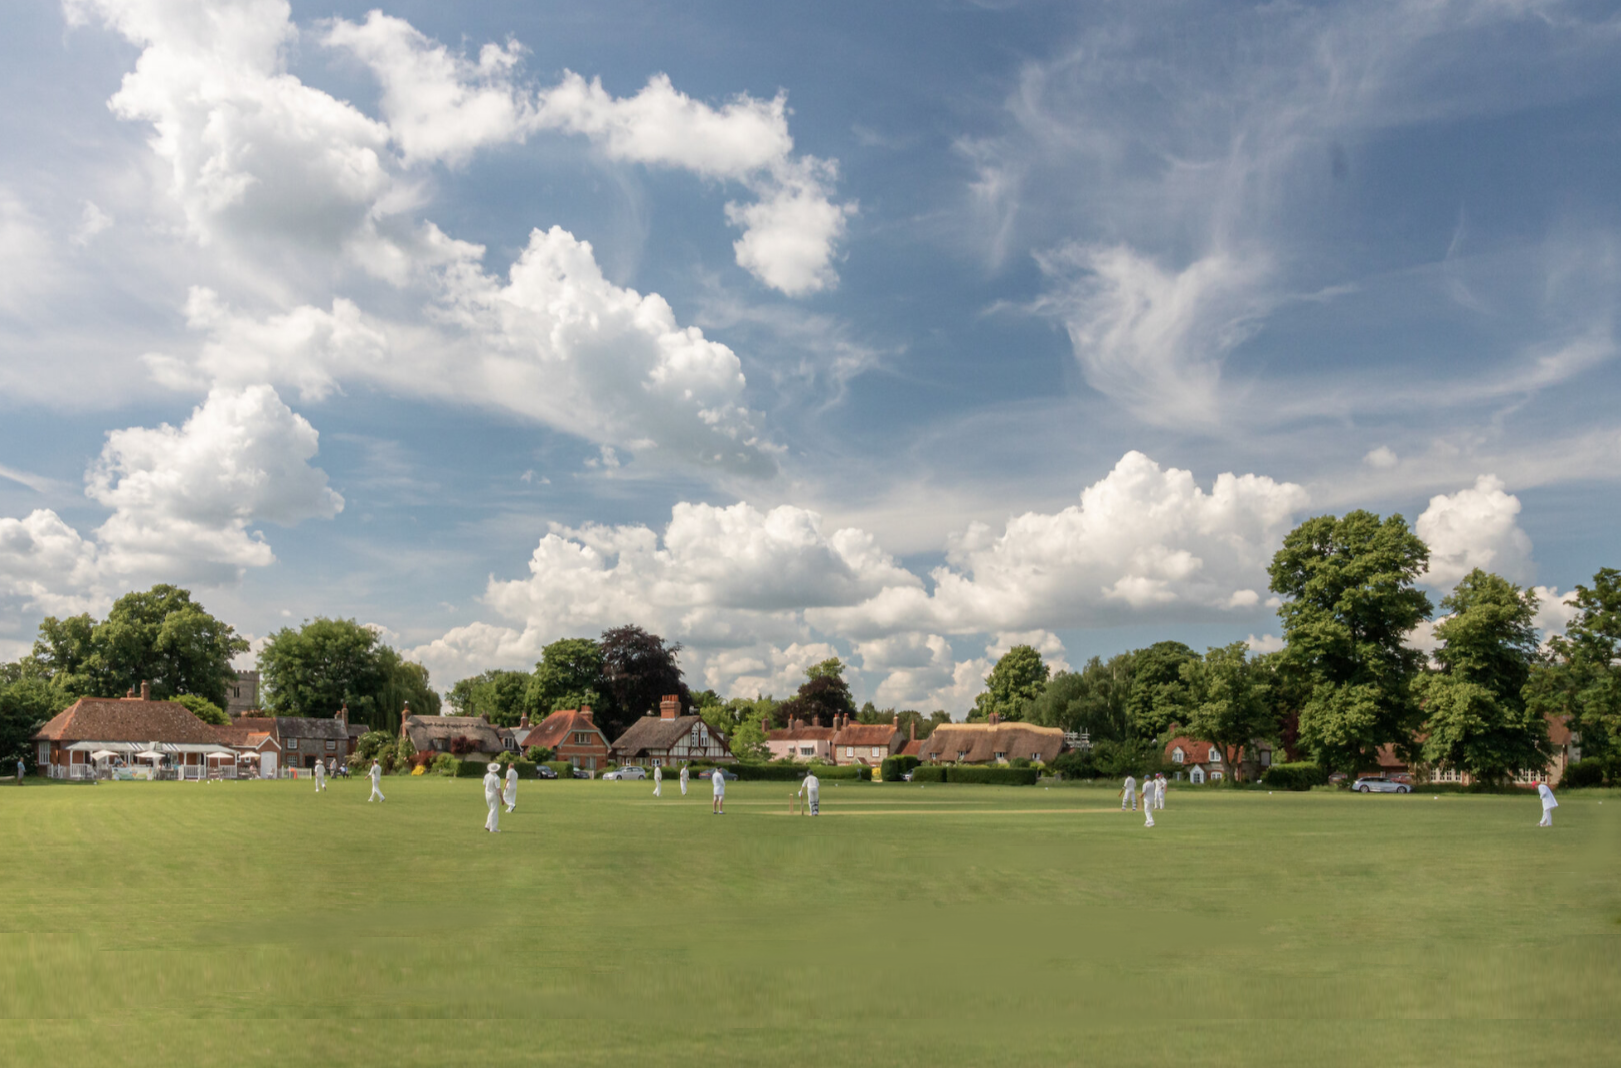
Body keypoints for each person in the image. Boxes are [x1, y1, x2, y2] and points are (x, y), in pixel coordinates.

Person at [482, 762, 502, 832]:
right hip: (493, 795)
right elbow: (498, 789)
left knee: (491, 810)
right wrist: (502, 798)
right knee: (494, 811)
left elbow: (484, 784)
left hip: (487, 794)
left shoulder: (486, 775)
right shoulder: (496, 778)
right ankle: (493, 828)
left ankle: (488, 825)